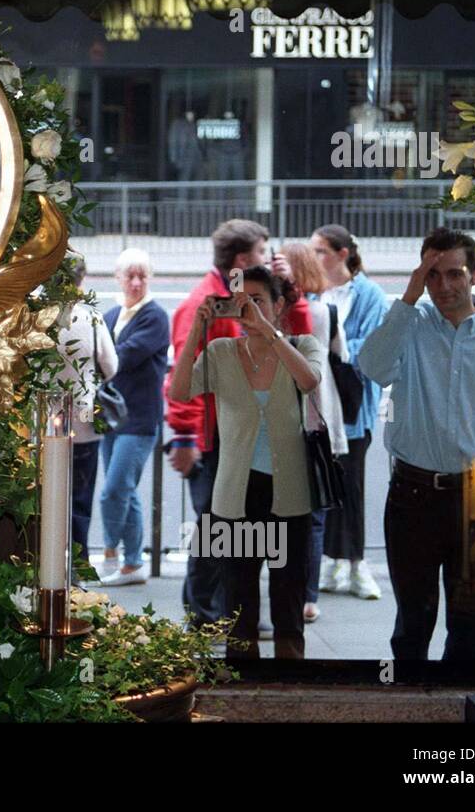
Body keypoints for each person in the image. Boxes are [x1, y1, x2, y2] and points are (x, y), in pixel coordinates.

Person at [360, 228, 475, 661]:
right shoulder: (408, 325)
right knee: (412, 625)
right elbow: (373, 366)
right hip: (412, 495)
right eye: (432, 276)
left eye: (454, 274)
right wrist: (408, 297)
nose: (443, 286)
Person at [168, 266, 322, 658]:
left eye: (258, 301)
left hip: (289, 494)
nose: (249, 309)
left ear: (279, 305)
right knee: (238, 604)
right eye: (242, 302)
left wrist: (268, 333)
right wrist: (197, 334)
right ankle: (245, 683)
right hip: (236, 496)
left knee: (289, 600)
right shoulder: (221, 353)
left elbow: (309, 381)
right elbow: (181, 389)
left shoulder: (302, 345)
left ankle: (290, 686)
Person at [310, 224, 389, 600]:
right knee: (325, 484)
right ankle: (333, 560)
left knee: (351, 486)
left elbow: (371, 344)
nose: (315, 258)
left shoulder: (369, 293)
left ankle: (357, 565)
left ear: (343, 254)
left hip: (353, 404)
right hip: (320, 402)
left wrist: (331, 348)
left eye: (321, 250)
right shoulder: (311, 291)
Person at [278, 241, 348, 624]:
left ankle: (286, 589)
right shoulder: (327, 312)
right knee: (316, 513)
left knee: (283, 511)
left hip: (286, 418)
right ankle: (309, 596)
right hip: (322, 419)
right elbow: (344, 358)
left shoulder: (275, 314)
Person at [96, 248, 169, 586]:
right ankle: (134, 563)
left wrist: (100, 356)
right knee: (126, 491)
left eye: (143, 276)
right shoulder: (110, 315)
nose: (137, 282)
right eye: (130, 276)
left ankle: (110, 550)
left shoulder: (155, 316)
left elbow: (122, 356)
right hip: (110, 417)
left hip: (139, 420)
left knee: (114, 490)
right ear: (119, 278)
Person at [55, 253, 118, 564]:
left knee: (50, 497)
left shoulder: (38, 316)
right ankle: (77, 566)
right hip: (82, 423)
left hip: (44, 426)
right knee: (79, 500)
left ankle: (49, 562)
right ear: (81, 281)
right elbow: (111, 365)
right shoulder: (92, 318)